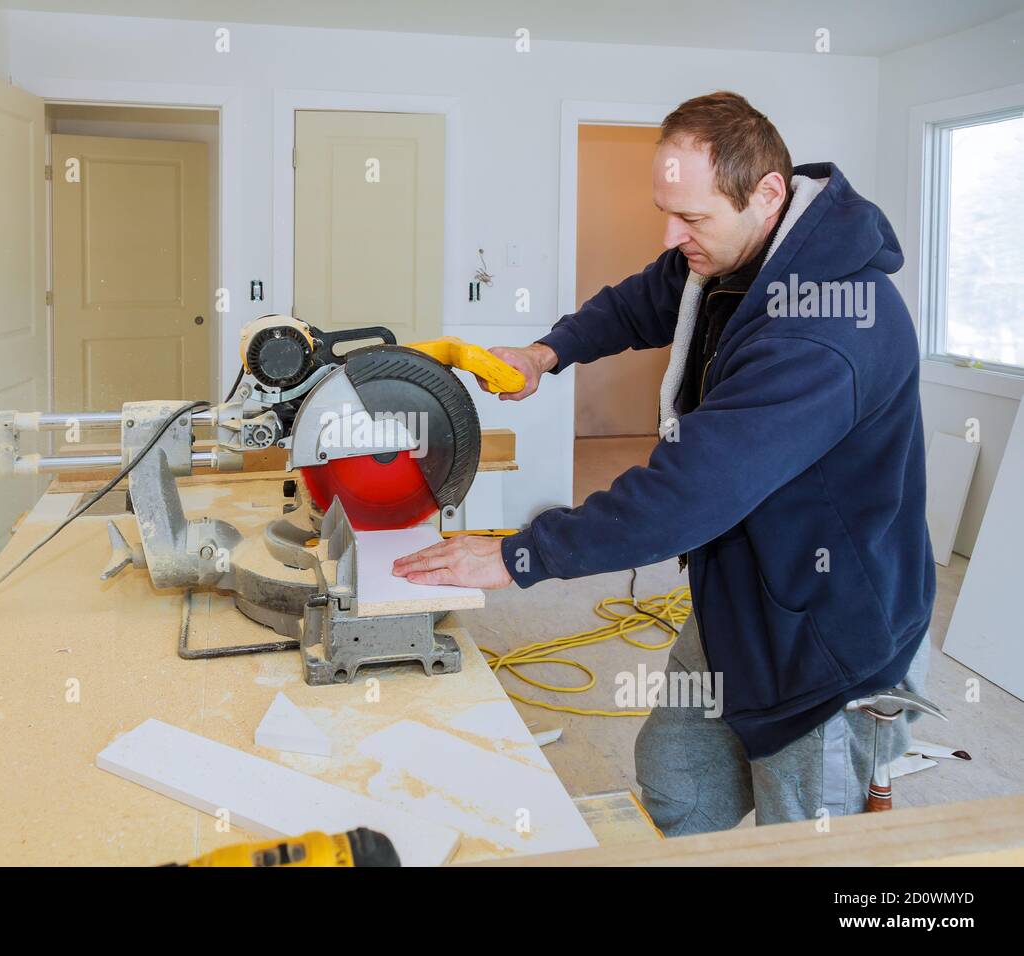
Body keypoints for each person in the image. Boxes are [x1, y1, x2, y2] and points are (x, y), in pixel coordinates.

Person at [392, 91, 934, 832]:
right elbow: (639, 301)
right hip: (740, 594)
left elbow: (691, 492)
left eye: (692, 218)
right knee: (677, 776)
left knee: (807, 835)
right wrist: (544, 355)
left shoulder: (827, 329)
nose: (673, 236)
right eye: (666, 212)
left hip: (828, 636)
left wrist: (518, 556)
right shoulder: (736, 253)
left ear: (767, 194)